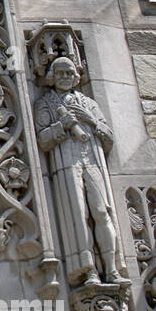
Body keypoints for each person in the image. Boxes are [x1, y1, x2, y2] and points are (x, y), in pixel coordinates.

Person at [33, 56, 126, 288]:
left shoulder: (89, 103)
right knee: (78, 214)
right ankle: (89, 270)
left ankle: (111, 267)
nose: (65, 77)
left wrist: (91, 122)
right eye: (60, 73)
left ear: (76, 76)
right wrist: (63, 125)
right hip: (66, 163)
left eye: (69, 73)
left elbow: (109, 137)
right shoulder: (46, 103)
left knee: (102, 211)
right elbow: (43, 139)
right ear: (52, 76)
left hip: (93, 160)